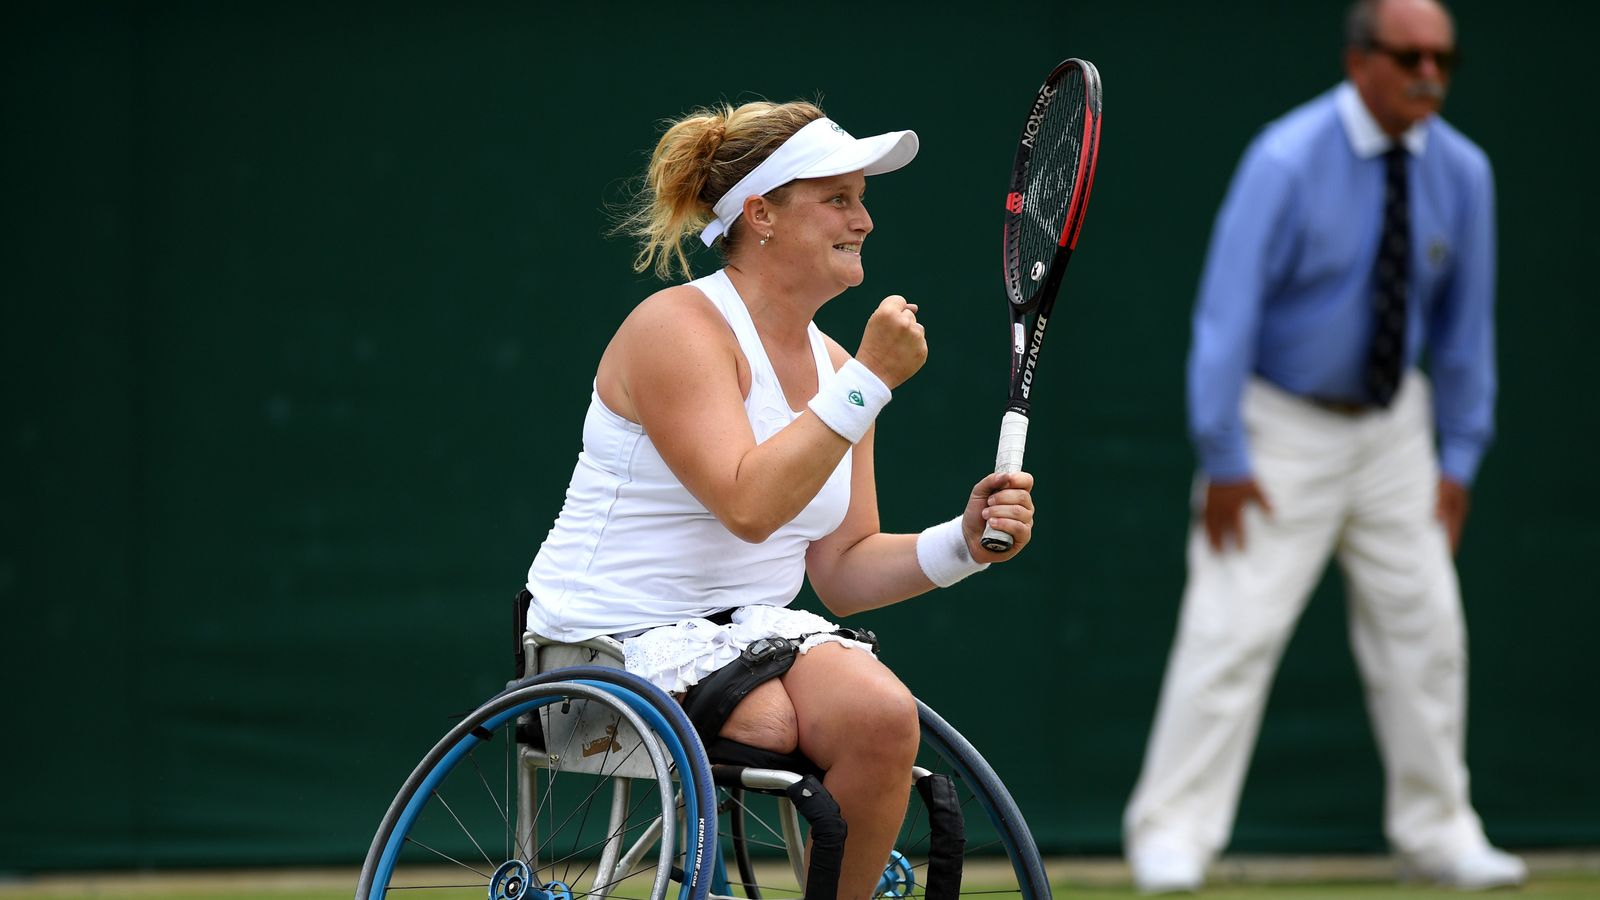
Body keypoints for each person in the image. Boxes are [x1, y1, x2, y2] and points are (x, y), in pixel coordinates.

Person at [521, 99, 1036, 900]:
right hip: (603, 640)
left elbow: (845, 567)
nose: (863, 220)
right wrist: (869, 383)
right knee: (769, 725)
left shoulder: (839, 367)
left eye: (862, 200)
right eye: (838, 199)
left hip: (752, 636)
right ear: (760, 214)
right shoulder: (676, 328)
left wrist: (964, 542)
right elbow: (748, 504)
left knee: (882, 717)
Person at [1122, 0, 1522, 893]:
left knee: (1428, 633)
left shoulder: (1465, 172)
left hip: (1396, 432)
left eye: (1443, 58)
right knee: (1231, 631)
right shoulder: (1286, 158)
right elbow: (1227, 317)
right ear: (1360, 61)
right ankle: (1172, 835)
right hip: (1277, 425)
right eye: (1410, 54)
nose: (1429, 73)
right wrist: (1225, 455)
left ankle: (1441, 832)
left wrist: (1458, 455)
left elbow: (1465, 332)